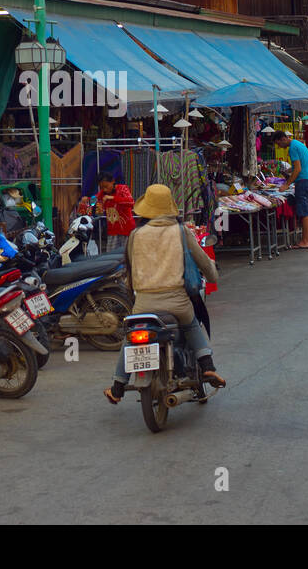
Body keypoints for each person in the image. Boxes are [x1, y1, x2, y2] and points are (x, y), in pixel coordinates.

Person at [104, 184, 223, 404]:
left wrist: (135, 298)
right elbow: (202, 261)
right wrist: (213, 274)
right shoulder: (180, 231)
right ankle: (208, 367)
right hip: (177, 302)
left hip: (144, 304)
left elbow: (129, 272)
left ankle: (117, 387)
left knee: (130, 336)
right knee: (191, 325)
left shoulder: (135, 235)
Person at [287, 135, 308, 249]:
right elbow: (300, 165)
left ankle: (304, 241)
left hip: (303, 182)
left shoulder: (292, 148)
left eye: (278, 143)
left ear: (282, 139)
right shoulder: (300, 145)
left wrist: (287, 184)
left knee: (304, 213)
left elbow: (298, 168)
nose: (280, 146)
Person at [94, 171, 135, 252]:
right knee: (111, 256)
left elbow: (131, 202)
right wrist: (87, 200)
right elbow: (95, 204)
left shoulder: (122, 188)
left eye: (106, 186)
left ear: (112, 181)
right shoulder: (102, 194)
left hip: (126, 230)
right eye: (101, 187)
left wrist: (113, 198)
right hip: (112, 232)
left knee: (127, 255)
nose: (104, 189)